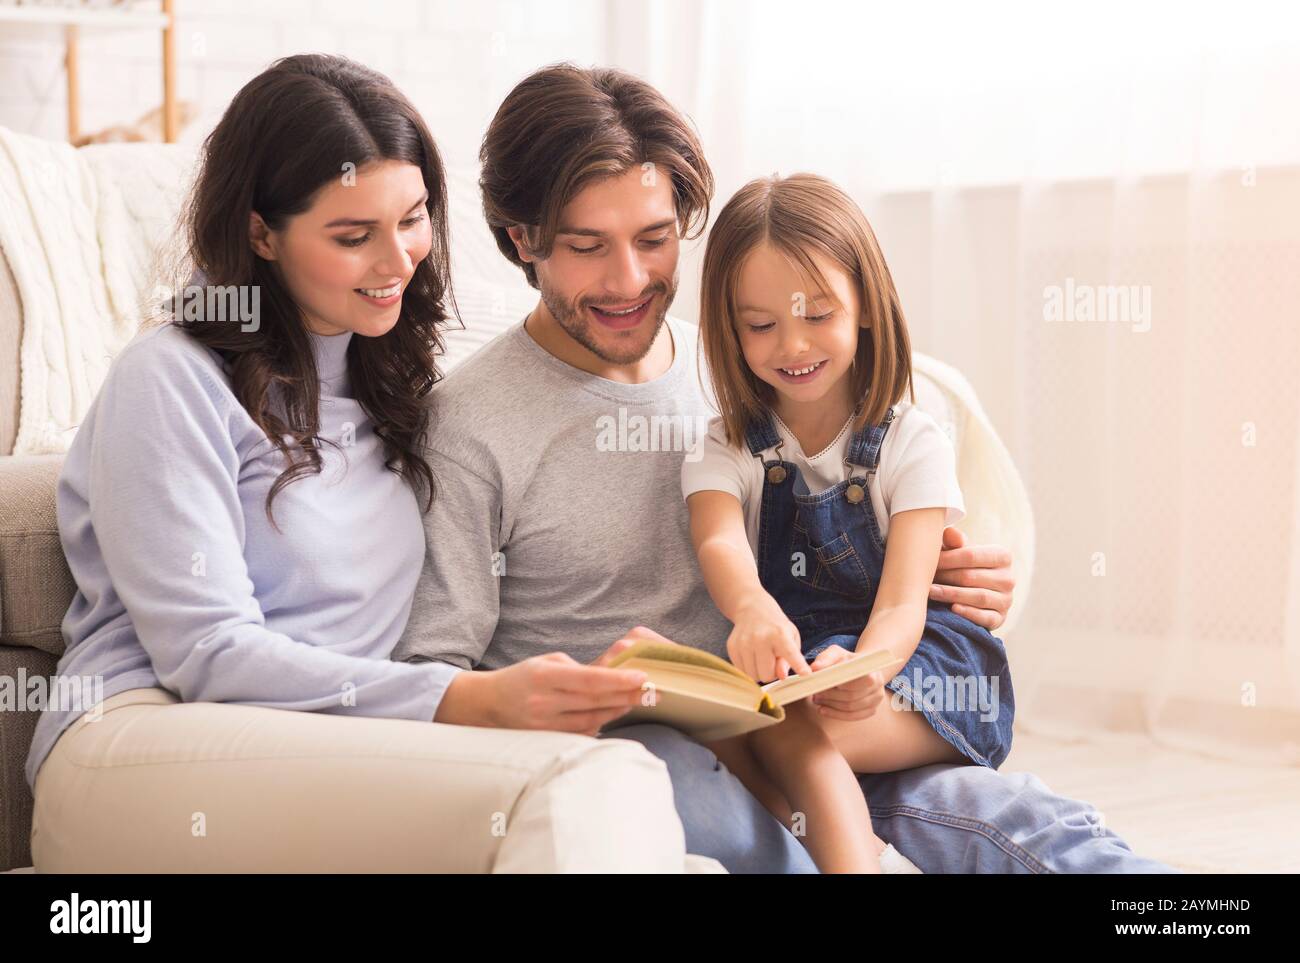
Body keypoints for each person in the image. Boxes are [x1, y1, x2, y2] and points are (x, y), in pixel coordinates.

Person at [397, 63, 1172, 872]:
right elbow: (429, 675)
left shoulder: (746, 369)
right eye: (588, 247)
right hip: (650, 752)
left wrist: (953, 576)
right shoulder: (470, 425)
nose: (628, 280)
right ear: (523, 239)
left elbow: (879, 512)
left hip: (821, 710)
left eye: (655, 240)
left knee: (1041, 833)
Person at [25, 54, 706, 873]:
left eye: (413, 219)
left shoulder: (393, 382)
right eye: (354, 236)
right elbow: (206, 655)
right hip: (145, 738)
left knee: (655, 842)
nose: (397, 262)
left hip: (330, 748)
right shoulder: (169, 378)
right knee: (591, 786)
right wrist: (468, 699)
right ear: (261, 232)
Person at [681, 173, 1015, 872]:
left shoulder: (911, 441)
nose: (792, 346)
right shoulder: (727, 446)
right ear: (729, 326)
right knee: (716, 730)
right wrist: (753, 611)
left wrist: (871, 666)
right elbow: (717, 538)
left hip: (924, 668)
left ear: (865, 305)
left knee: (788, 727)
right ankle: (861, 851)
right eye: (761, 325)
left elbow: (901, 603)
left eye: (817, 314)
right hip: (809, 670)